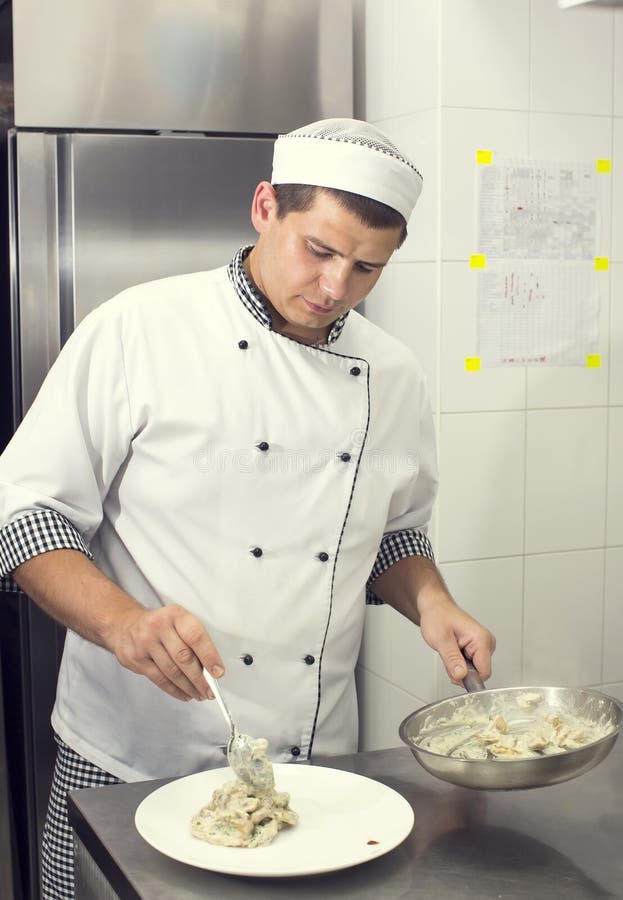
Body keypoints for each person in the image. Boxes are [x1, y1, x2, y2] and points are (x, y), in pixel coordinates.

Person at [0, 118, 495, 898]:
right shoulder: (140, 328)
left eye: (366, 267)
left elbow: (393, 533)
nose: (334, 287)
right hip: (132, 752)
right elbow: (26, 514)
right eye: (318, 250)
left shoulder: (392, 374)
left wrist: (433, 604)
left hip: (314, 765)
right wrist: (123, 623)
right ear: (265, 207)